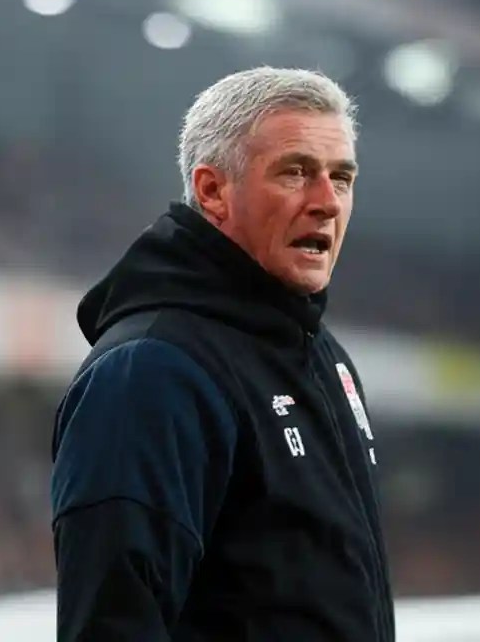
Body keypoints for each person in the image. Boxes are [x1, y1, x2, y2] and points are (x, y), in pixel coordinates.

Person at [50, 67, 394, 640]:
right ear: (212, 191)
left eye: (342, 177)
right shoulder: (151, 372)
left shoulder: (322, 356)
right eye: (296, 172)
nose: (327, 203)